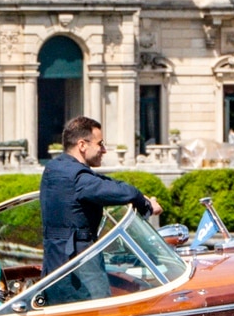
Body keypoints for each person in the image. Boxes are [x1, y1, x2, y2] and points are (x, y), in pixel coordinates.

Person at [40, 116, 162, 300]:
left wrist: (137, 197)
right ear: (82, 145)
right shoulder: (78, 178)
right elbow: (121, 192)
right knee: (99, 312)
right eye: (100, 144)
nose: (104, 150)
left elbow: (103, 183)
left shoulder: (55, 167)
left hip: (54, 261)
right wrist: (146, 204)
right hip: (80, 263)